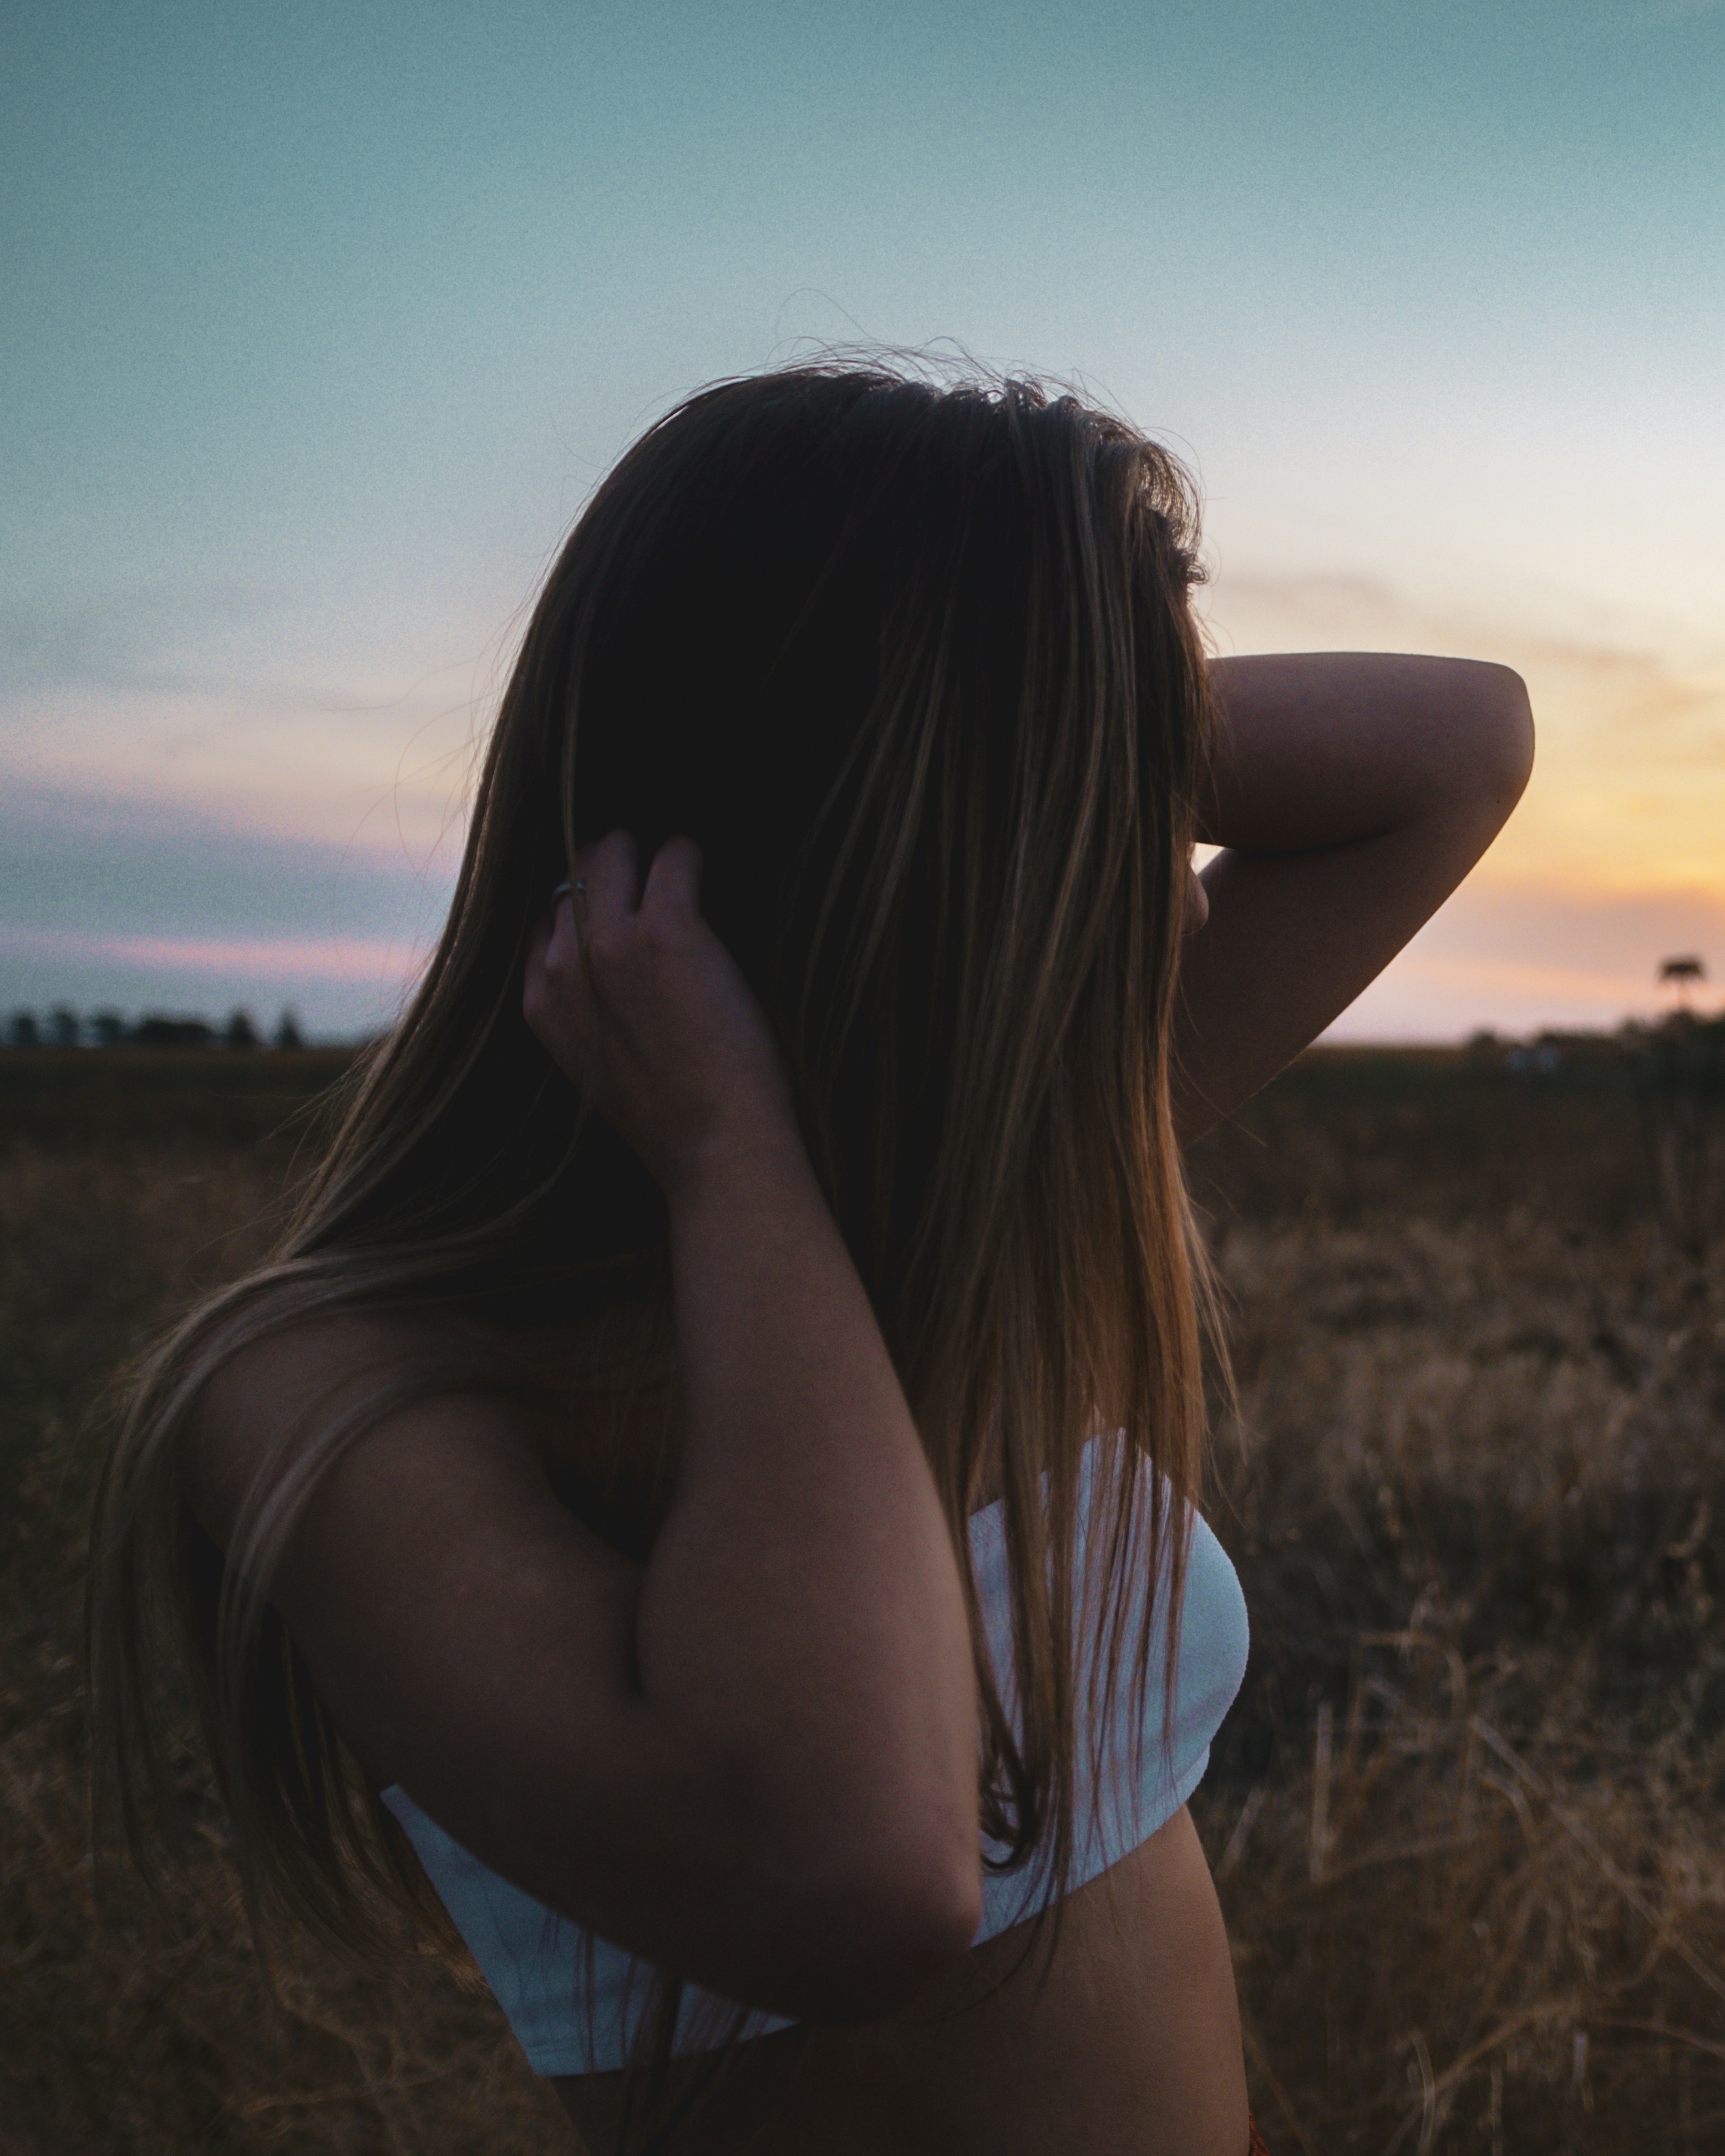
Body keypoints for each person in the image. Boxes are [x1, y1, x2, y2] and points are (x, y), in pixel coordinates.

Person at [86, 359, 1533, 2156]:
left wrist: (1073, 702)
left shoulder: (973, 1209)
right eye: (1109, 817)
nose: (1182, 894)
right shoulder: (321, 1389)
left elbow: (1462, 743)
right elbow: (860, 1875)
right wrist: (729, 1156)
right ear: (927, 832)